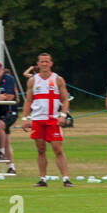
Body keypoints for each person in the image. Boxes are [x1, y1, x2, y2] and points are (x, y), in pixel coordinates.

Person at [21, 52, 73, 187]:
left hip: (53, 119)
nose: (44, 64)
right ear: (38, 64)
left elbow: (65, 99)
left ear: (51, 63)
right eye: (42, 62)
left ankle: (66, 179)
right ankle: (43, 179)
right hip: (38, 119)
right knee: (40, 149)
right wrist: (25, 118)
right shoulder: (33, 80)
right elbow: (28, 101)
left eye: (47, 61)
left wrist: (63, 115)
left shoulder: (58, 79)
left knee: (58, 149)